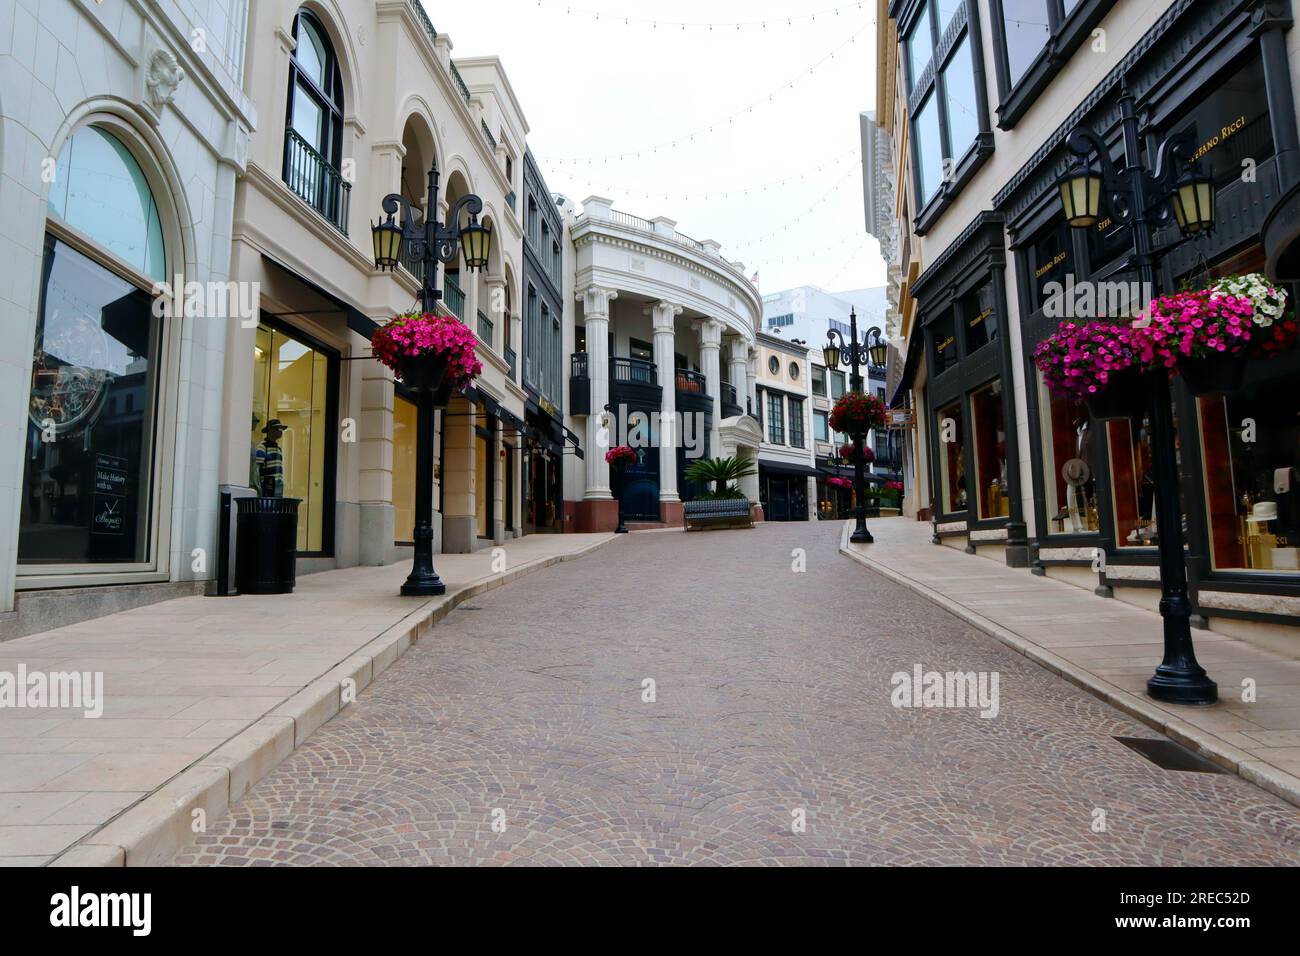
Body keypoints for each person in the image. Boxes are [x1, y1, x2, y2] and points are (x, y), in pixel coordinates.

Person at [256, 419, 286, 497]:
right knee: (268, 507)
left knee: (277, 507)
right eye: (278, 429)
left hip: (278, 484)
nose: (281, 431)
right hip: (267, 485)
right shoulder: (262, 447)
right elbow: (256, 469)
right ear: (271, 431)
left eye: (281, 429)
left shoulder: (279, 449)